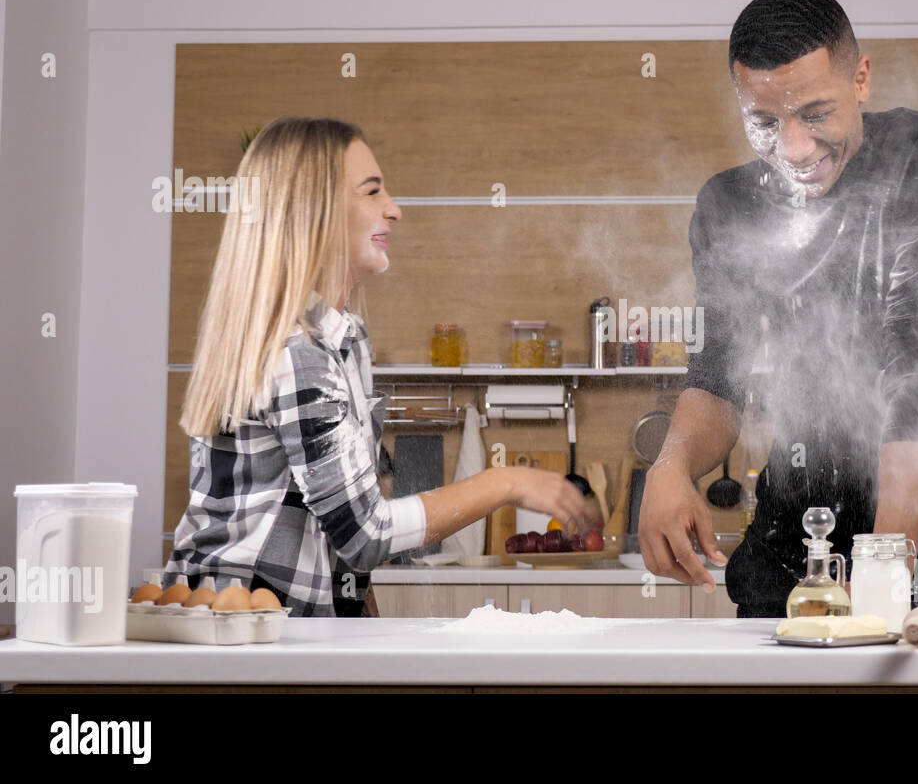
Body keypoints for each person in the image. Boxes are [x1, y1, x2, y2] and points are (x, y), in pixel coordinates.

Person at [638, 0, 918, 671]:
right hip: (789, 579)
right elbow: (718, 383)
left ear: (860, 77)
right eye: (764, 122)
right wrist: (670, 467)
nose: (795, 148)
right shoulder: (728, 206)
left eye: (815, 114)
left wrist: (879, 583)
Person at [165, 117, 599, 616]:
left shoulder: (344, 343)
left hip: (295, 635)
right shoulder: (295, 354)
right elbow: (366, 533)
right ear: (316, 211)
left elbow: (340, 538)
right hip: (241, 640)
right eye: (372, 192)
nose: (394, 210)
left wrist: (360, 616)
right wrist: (507, 482)